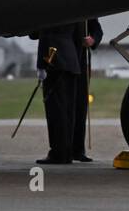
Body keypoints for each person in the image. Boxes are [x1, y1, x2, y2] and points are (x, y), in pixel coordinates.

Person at [35, 22, 83, 164]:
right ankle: (67, 152)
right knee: (68, 112)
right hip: (71, 61)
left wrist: (41, 65)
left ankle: (58, 153)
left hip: (53, 61)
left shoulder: (47, 10)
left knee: (56, 112)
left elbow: (40, 35)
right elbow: (78, 37)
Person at [71, 18, 104, 163]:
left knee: (80, 106)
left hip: (81, 58)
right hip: (63, 58)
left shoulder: (85, 11)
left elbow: (97, 30)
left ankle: (78, 150)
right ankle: (63, 148)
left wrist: (92, 39)